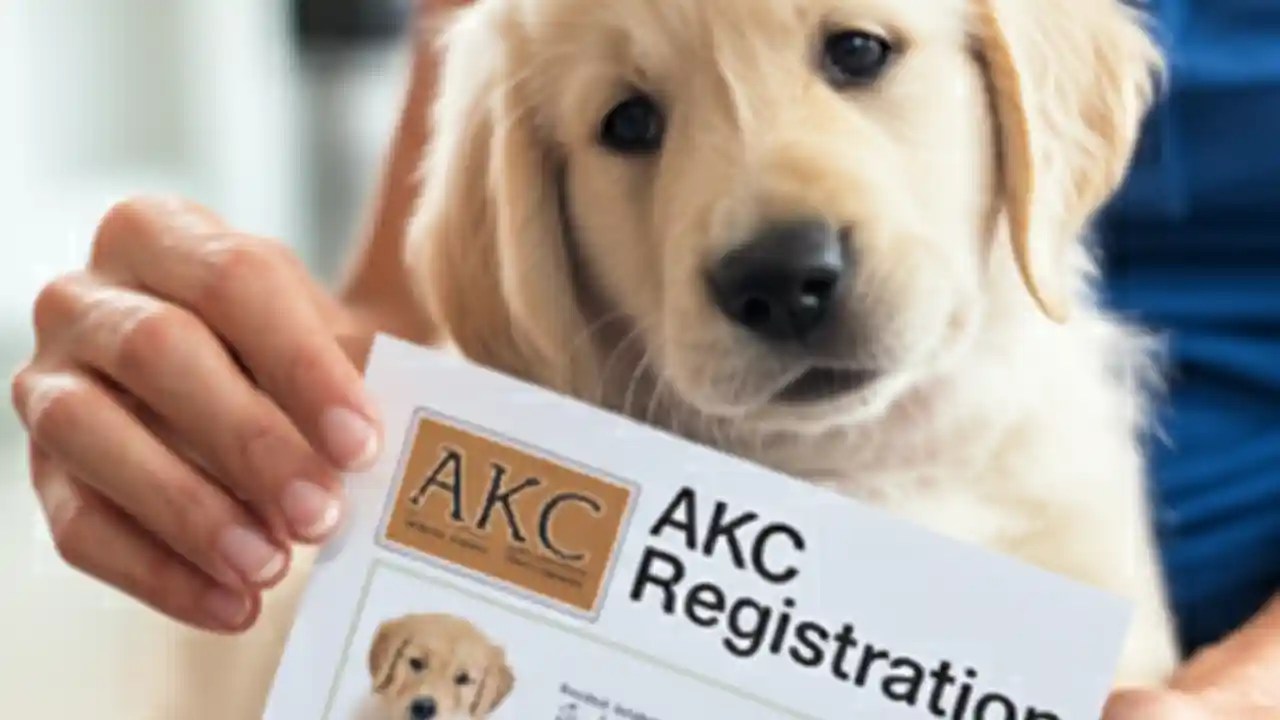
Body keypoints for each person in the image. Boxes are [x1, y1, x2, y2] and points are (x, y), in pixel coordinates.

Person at [9, 1, 1277, 716]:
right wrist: (262, 410)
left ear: (1020, 89)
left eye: (855, 51)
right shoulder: (515, 57)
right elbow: (410, 319)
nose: (768, 240)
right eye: (630, 124)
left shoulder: (1064, 479)